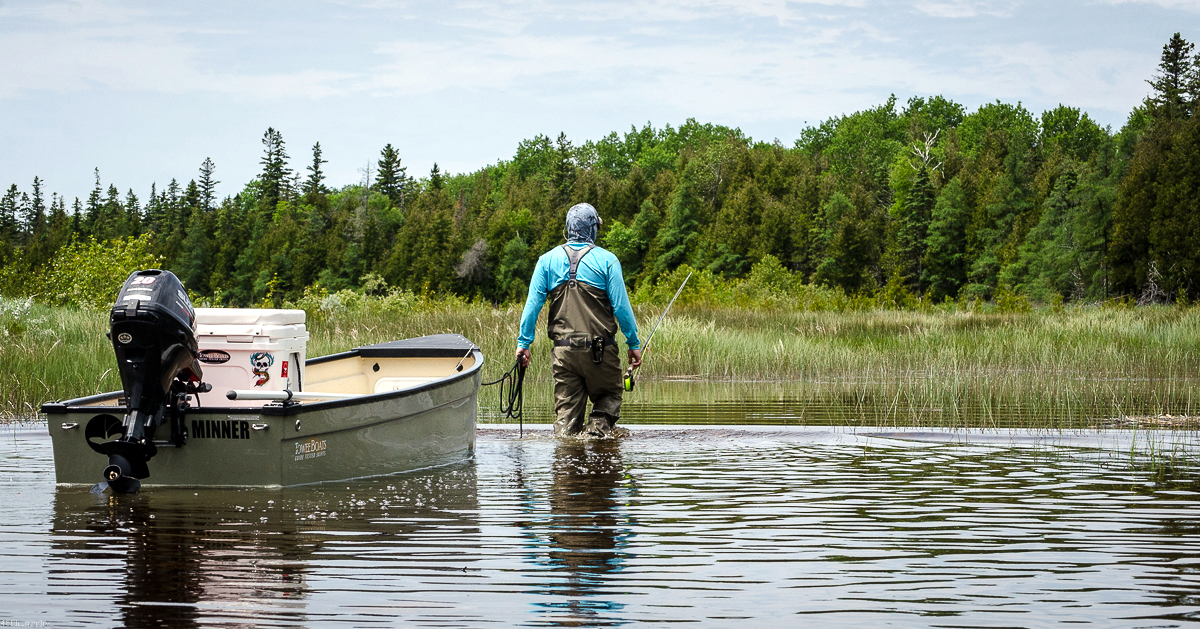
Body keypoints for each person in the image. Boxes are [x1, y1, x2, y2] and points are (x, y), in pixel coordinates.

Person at [515, 203, 641, 437]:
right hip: (600, 351)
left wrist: (524, 343)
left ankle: (566, 462)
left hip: (564, 354)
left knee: (567, 418)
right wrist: (633, 344)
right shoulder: (608, 261)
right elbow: (622, 308)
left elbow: (532, 306)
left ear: (568, 228)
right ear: (593, 229)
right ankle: (596, 438)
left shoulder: (546, 261)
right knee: (609, 397)